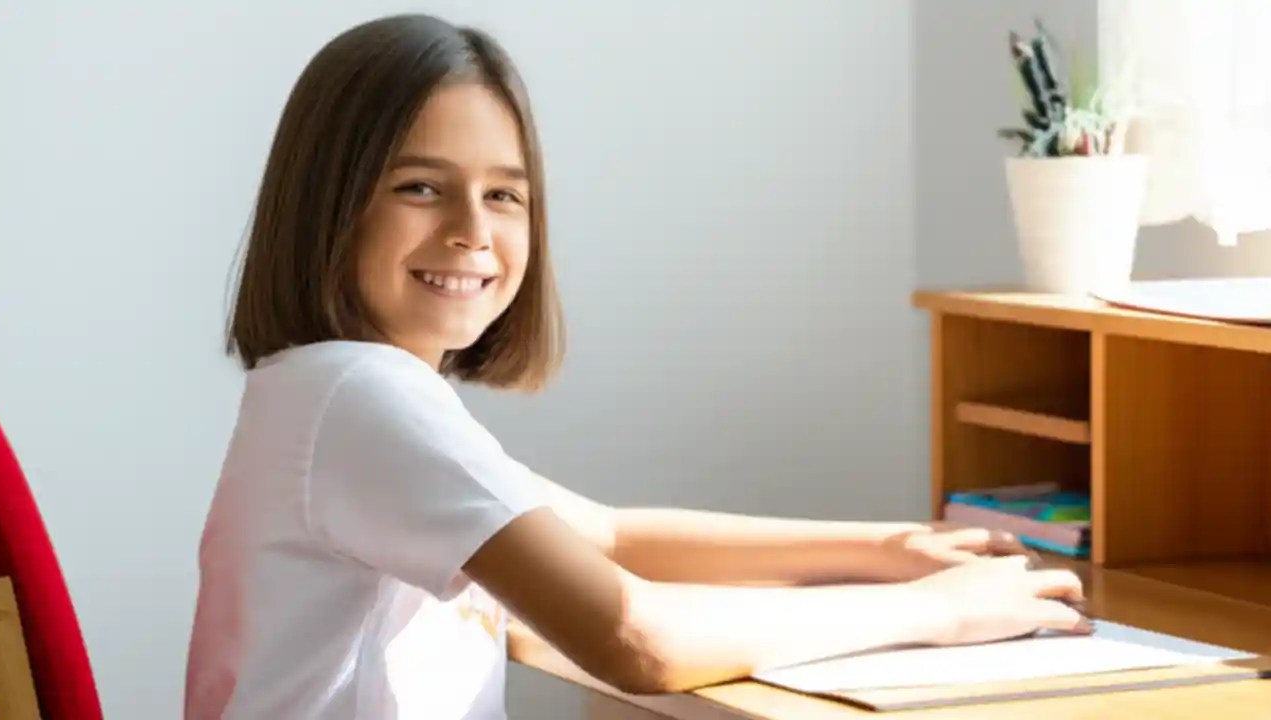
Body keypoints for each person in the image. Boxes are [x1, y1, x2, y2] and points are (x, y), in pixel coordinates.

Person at [184, 13, 1090, 720]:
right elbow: (634, 636)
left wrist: (882, 549)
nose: (472, 228)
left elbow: (605, 536)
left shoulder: (326, 392)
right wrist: (938, 611)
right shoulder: (360, 395)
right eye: (420, 186)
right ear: (328, 203)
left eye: (504, 194)